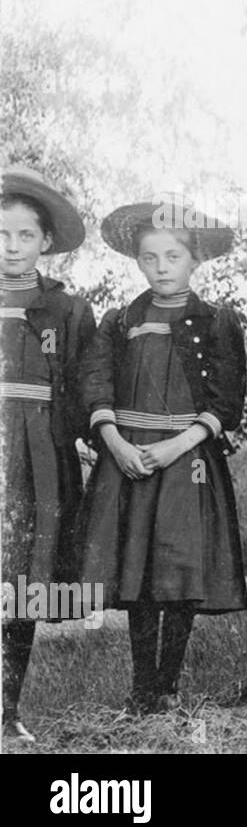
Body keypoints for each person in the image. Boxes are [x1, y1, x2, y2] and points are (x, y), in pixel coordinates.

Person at [77, 198, 247, 714]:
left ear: (194, 260)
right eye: (150, 258)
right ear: (137, 261)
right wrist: (116, 443)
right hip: (128, 460)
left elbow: (227, 399)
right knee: (139, 577)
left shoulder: (217, 321)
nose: (161, 268)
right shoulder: (119, 320)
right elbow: (96, 383)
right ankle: (141, 688)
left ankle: (168, 687)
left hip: (186, 461)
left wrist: (177, 444)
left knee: (178, 576)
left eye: (173, 257)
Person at [1, 167, 96, 743]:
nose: (12, 246)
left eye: (25, 236)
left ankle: (6, 712)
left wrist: (90, 437)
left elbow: (86, 386)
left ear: (45, 243)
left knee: (21, 581)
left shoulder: (66, 310)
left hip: (36, 457)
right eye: (0, 233)